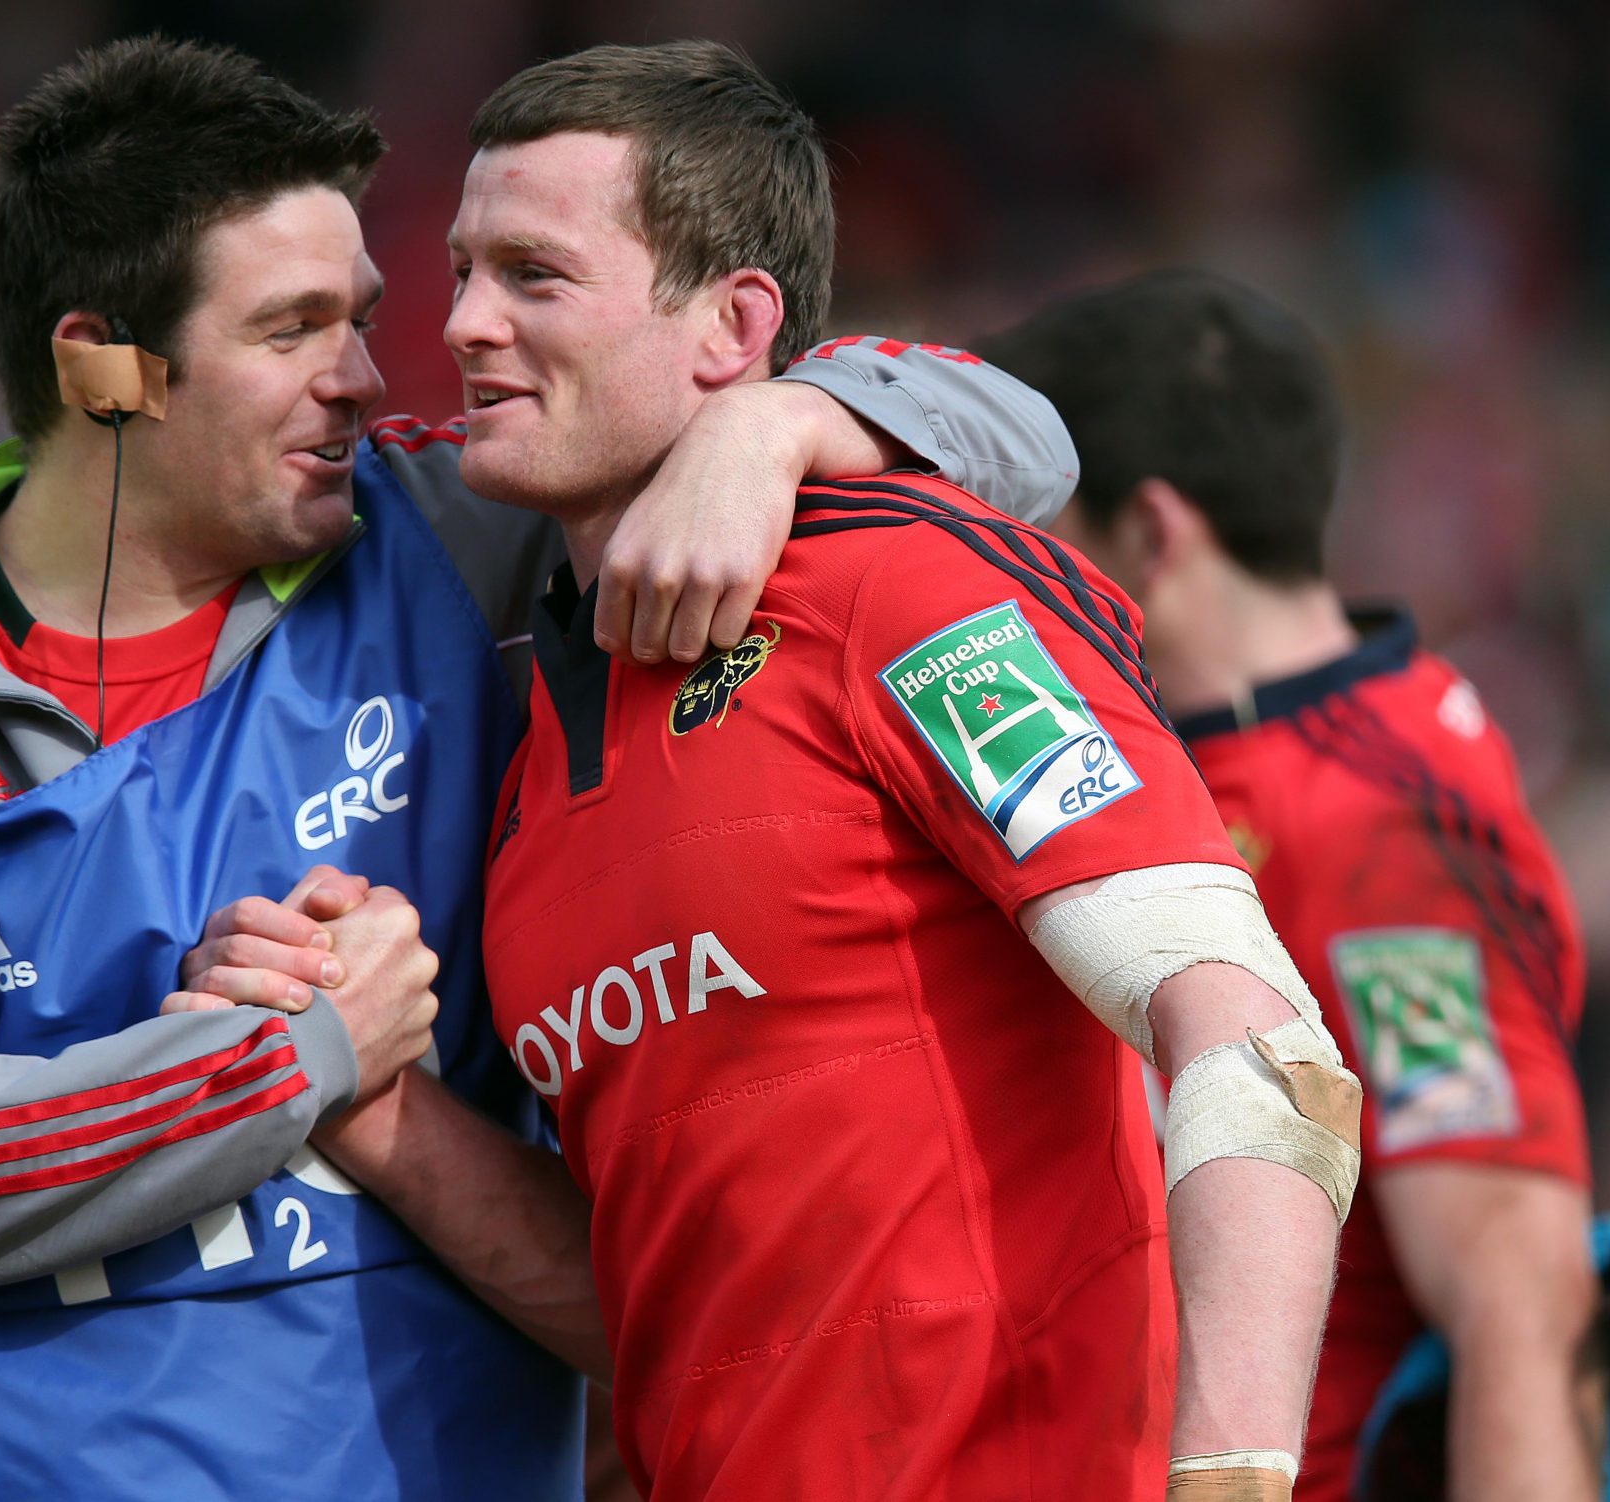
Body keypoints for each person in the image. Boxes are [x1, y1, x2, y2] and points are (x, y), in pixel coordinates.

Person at [0, 36, 1076, 1502]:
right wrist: (295, 1055)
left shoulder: (451, 535)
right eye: (295, 328)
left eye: (366, 318)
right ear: (104, 371)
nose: (368, 379)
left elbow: (1025, 441)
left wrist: (778, 424)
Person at [287, 41, 1360, 1502]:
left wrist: (1229, 1484)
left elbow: (1261, 1055)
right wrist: (371, 1102)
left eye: (534, 276)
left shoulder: (904, 591)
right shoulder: (532, 738)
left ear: (732, 325)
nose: (465, 322)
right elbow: (663, 1315)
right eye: (463, 270)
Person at [976, 269, 1598, 1502]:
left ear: (1150, 533)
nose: (998, 592)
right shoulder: (1197, 758)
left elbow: (1517, 1301)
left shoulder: (1382, 829)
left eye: (1026, 544)